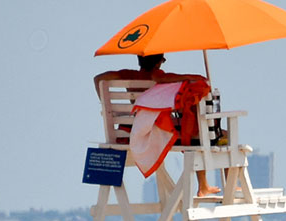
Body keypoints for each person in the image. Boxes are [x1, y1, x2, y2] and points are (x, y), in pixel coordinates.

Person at [95, 54, 221, 197]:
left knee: (197, 133)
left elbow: (98, 78)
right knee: (200, 135)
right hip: (157, 131)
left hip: (131, 131)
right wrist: (194, 77)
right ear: (157, 63)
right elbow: (161, 79)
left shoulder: (128, 75)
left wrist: (106, 107)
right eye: (162, 59)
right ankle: (204, 186)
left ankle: (204, 187)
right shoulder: (159, 76)